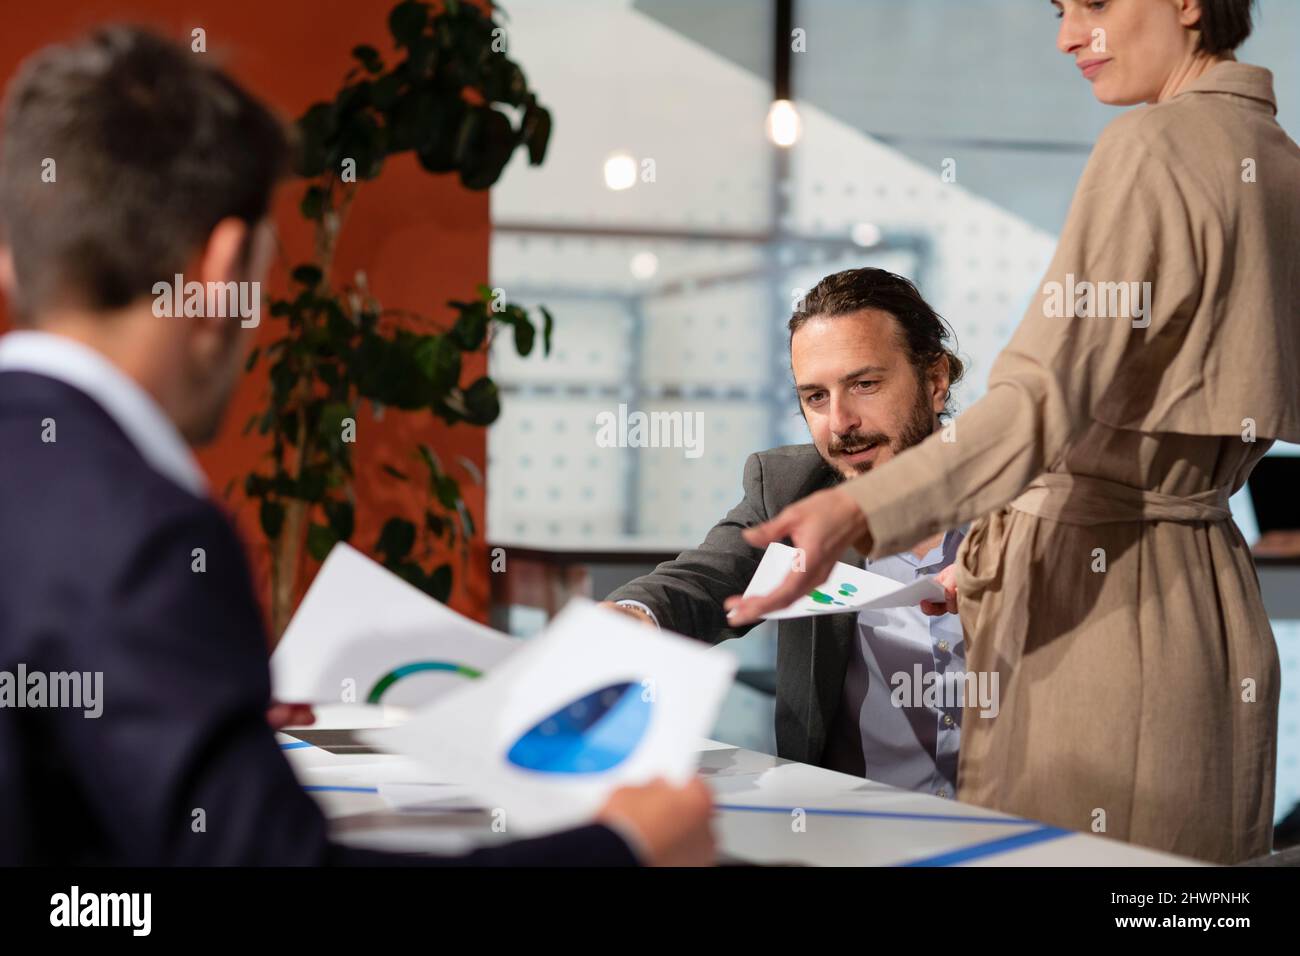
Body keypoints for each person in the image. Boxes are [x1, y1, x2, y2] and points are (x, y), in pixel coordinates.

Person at [0, 25, 714, 866]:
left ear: (13, 262)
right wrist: (625, 850)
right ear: (223, 270)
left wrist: (194, 727)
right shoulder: (144, 534)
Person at [728, 0, 1297, 865]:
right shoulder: (1278, 164)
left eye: (1095, 4)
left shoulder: (1149, 148)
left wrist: (858, 514)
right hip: (1208, 605)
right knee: (1183, 902)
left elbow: (1041, 400)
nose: (1070, 36)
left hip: (1099, 620)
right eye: (1063, 10)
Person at [606, 268, 970, 798]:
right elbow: (703, 581)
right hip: (855, 829)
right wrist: (630, 617)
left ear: (935, 381)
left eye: (864, 384)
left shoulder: (1032, 490)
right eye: (816, 397)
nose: (840, 421)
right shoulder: (789, 487)